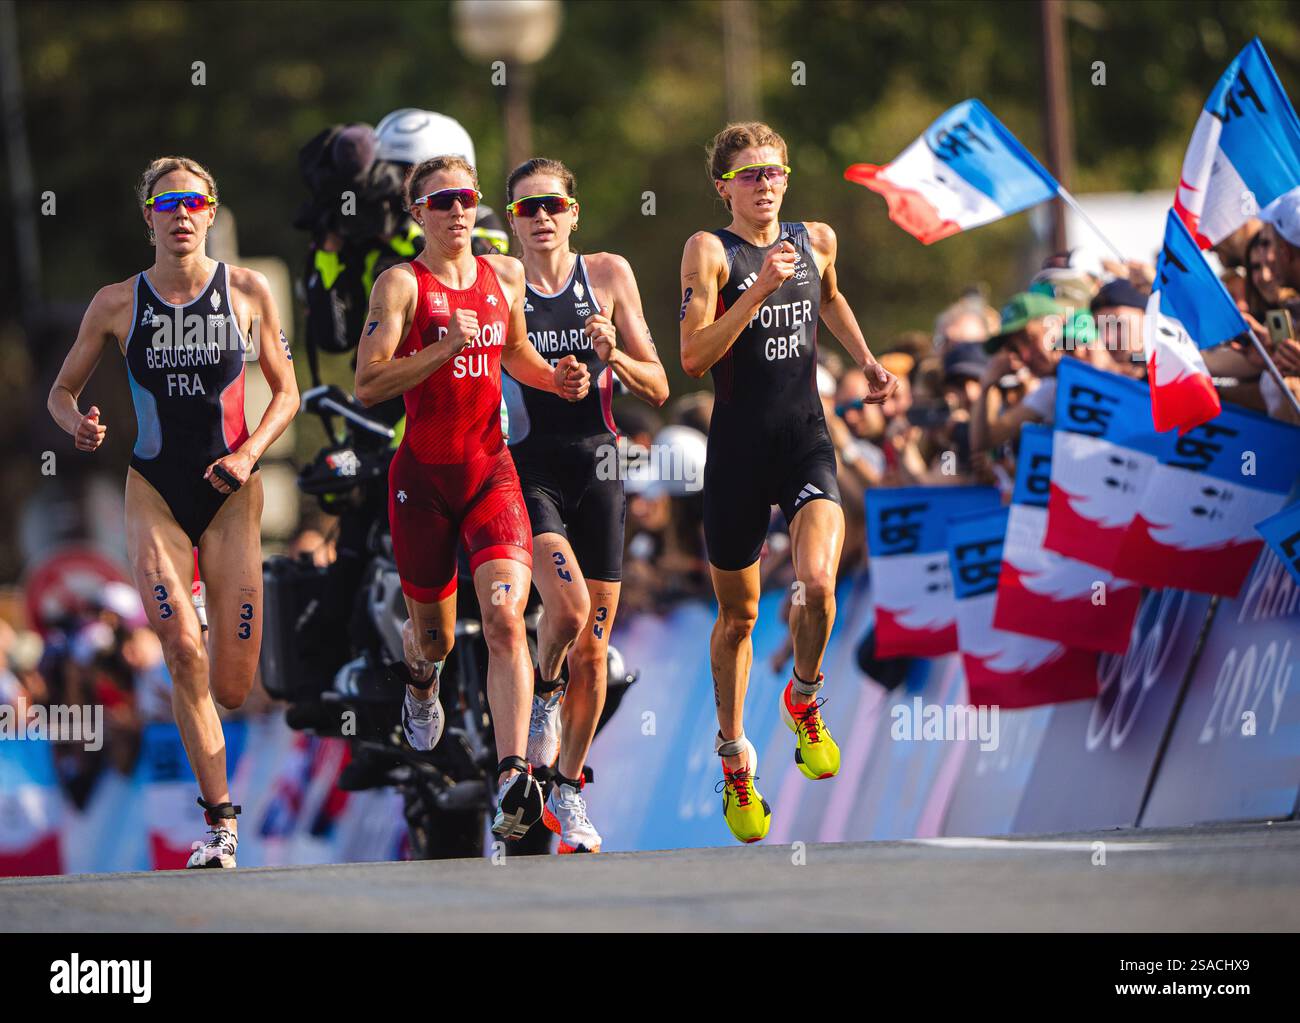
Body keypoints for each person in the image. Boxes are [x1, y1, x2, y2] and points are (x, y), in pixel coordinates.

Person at [47, 156, 299, 867]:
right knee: (181, 651)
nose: (181, 215)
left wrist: (249, 455)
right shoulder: (116, 303)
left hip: (230, 492)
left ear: (211, 212)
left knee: (231, 682)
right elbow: (61, 392)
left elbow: (287, 393)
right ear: (149, 217)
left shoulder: (247, 290)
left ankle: (203, 604)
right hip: (154, 487)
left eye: (193, 202)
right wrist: (77, 425)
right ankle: (220, 822)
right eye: (167, 204)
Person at [353, 155, 589, 840]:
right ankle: (420, 679)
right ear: (418, 212)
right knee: (433, 635)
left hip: (490, 471)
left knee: (504, 616)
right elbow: (369, 384)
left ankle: (514, 772)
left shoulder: (504, 274)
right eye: (442, 200)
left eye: (467, 198)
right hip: (422, 481)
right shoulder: (401, 285)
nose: (458, 211)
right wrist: (440, 348)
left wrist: (557, 380)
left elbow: (513, 352)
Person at [679, 121, 897, 843]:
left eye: (774, 171)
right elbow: (692, 355)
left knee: (819, 584)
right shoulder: (711, 251)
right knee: (739, 616)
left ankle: (804, 697)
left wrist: (864, 359)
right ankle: (736, 757)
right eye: (749, 175)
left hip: (805, 440)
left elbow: (829, 297)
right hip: (737, 453)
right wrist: (756, 290)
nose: (764, 184)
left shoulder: (818, 239)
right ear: (724, 188)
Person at [503, 157, 669, 854]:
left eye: (551, 205)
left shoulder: (608, 274)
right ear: (511, 222)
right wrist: (551, 374)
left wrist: (614, 354)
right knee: (566, 611)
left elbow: (658, 383)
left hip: (600, 466)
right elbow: (502, 358)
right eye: (525, 209)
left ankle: (567, 787)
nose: (540, 218)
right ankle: (543, 689)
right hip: (529, 466)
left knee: (596, 654)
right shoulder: (502, 280)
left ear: (574, 211)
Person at [970, 292, 1064, 451]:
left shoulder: (1098, 364)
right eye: (1014, 349)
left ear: (1058, 324)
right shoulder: (1049, 389)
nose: (1024, 356)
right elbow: (984, 442)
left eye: (1029, 339)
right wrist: (987, 387)